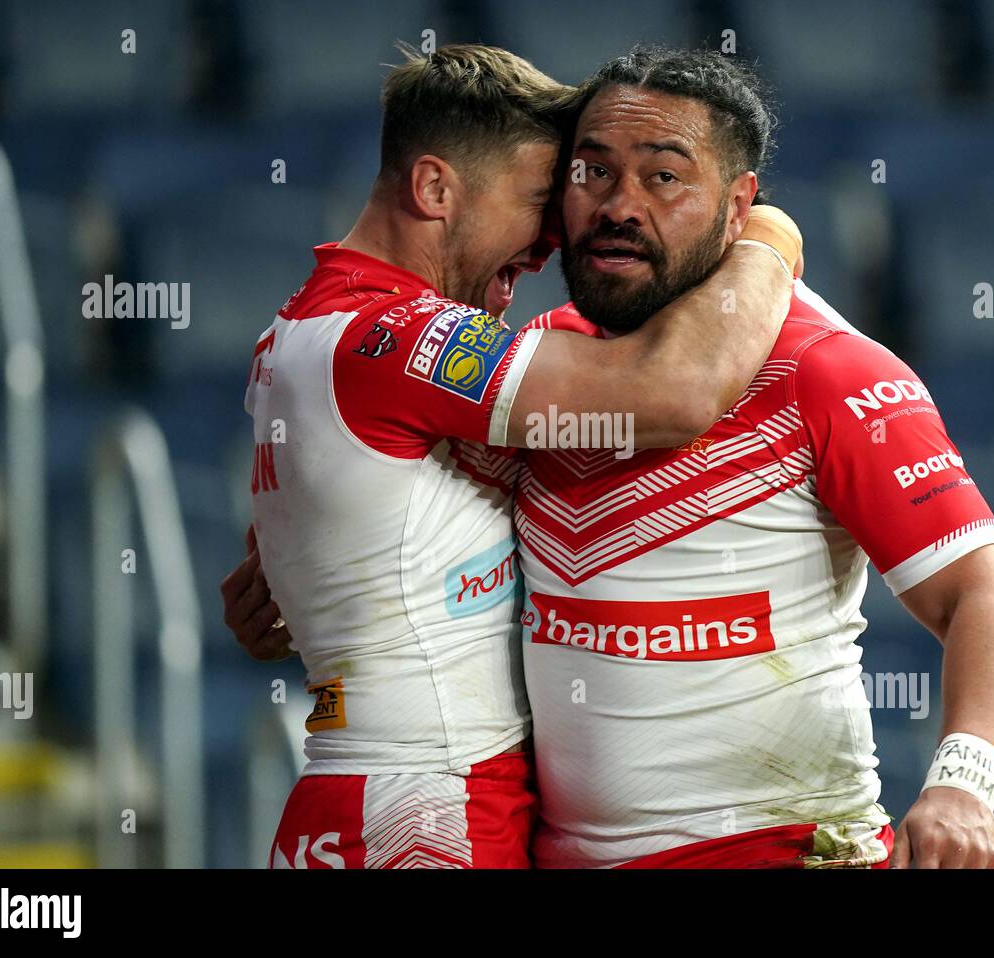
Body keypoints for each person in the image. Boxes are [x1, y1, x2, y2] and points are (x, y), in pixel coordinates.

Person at [227, 47, 994, 870]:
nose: (609, 209)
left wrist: (963, 783)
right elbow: (669, 390)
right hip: (482, 828)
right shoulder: (539, 368)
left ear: (735, 203)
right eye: (586, 175)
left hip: (770, 849)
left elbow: (981, 595)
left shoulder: (828, 368)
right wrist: (310, 579)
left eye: (663, 178)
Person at [234, 43, 803, 869]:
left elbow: (296, 570)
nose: (547, 243)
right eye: (540, 200)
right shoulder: (390, 339)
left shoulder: (297, 330)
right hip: (424, 806)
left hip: (379, 794)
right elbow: (677, 391)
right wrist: (767, 238)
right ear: (434, 189)